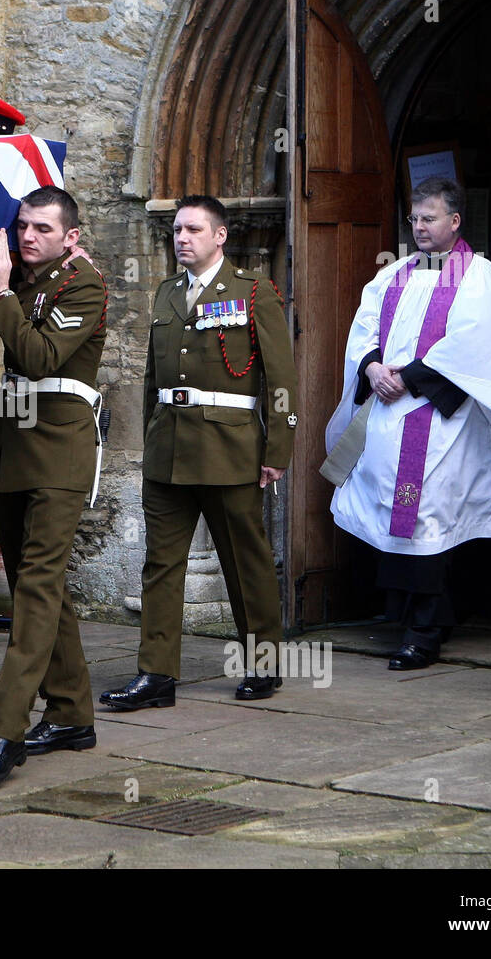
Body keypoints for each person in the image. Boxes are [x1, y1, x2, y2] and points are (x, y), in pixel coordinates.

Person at [323, 177, 491, 669]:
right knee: (394, 516)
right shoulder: (392, 275)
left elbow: (476, 345)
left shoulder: (482, 278)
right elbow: (363, 326)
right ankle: (403, 616)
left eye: (429, 218)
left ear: (455, 221)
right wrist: (371, 368)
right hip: (389, 417)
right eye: (414, 219)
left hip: (443, 422)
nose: (419, 227)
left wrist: (407, 377)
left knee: (429, 519)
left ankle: (425, 631)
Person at [101, 195, 296, 711]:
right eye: (176, 231)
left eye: (192, 229)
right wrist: (150, 436)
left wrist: (278, 448)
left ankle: (264, 662)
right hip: (170, 447)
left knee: (243, 559)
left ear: (220, 235)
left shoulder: (253, 292)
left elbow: (281, 379)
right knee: (161, 565)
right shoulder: (167, 293)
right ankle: (156, 674)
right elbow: (151, 379)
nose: (181, 238)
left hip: (230, 447)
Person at [0, 185, 107, 785]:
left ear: (71, 237)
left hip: (58, 454)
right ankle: (72, 711)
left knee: (37, 590)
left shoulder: (84, 285)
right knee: (34, 586)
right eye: (22, 225)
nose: (27, 236)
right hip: (14, 449)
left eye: (43, 229)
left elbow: (42, 357)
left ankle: (5, 729)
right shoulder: (21, 282)